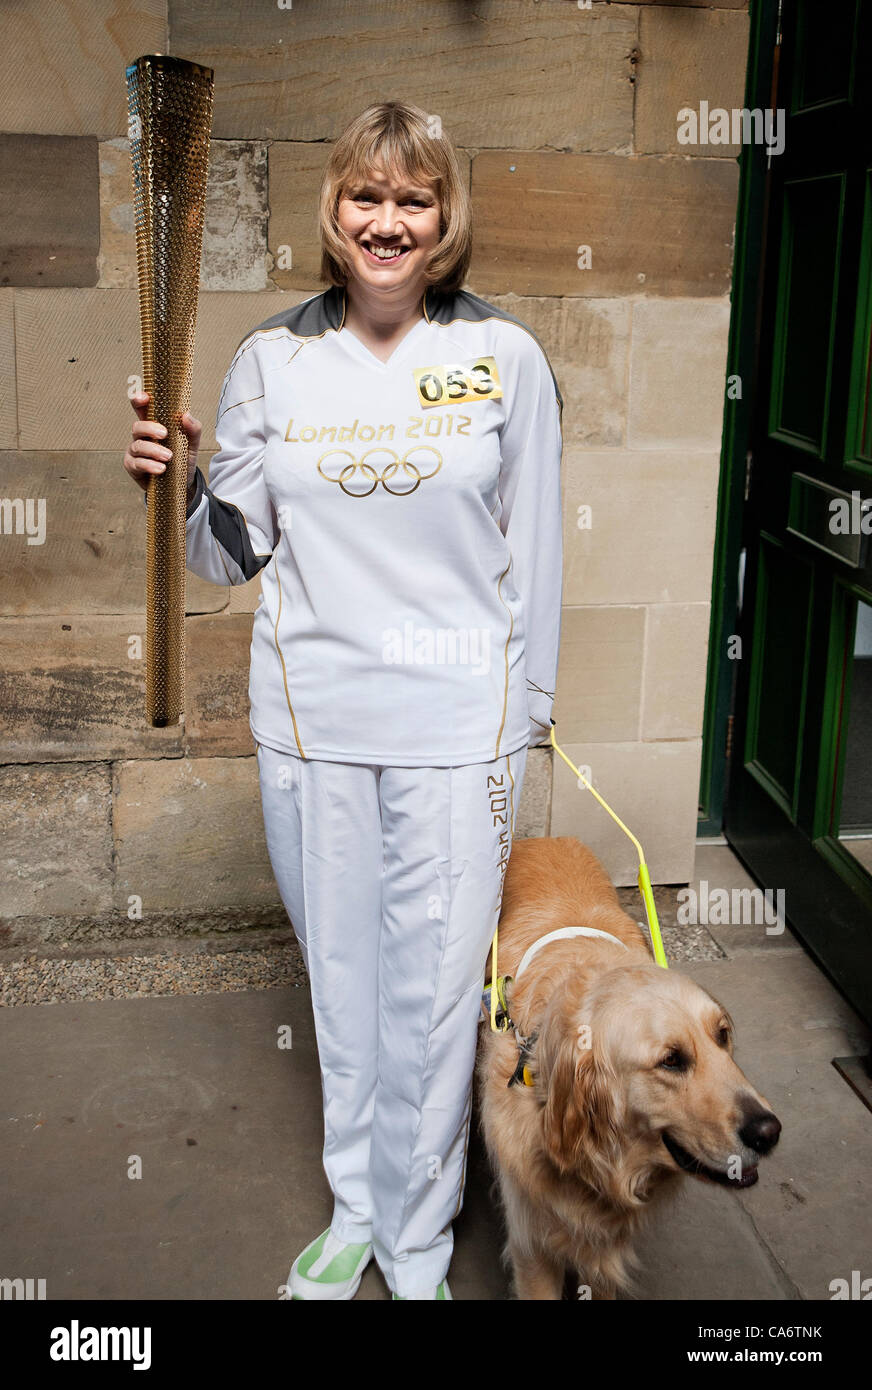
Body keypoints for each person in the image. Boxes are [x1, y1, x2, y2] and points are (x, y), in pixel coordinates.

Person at [123, 99, 563, 1301]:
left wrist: (524, 714)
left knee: (432, 989)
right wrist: (180, 480)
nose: (387, 220)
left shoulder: (502, 359)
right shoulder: (274, 358)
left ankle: (419, 1229)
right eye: (365, 197)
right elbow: (228, 554)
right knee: (345, 975)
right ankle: (355, 1208)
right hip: (312, 721)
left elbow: (538, 555)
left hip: (456, 726)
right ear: (334, 212)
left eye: (412, 198)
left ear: (443, 218)